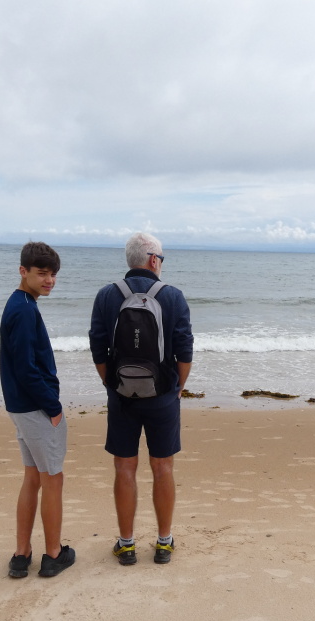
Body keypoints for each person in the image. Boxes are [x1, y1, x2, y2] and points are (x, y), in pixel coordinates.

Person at [89, 232, 193, 565]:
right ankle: (164, 543)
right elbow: (184, 351)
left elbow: (98, 346)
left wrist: (110, 383)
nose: (161, 264)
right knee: (163, 467)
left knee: (124, 467)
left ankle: (127, 544)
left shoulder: (107, 295)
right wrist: (177, 388)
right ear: (152, 259)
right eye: (161, 258)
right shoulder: (173, 297)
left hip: (121, 396)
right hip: (162, 396)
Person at [0, 241, 75, 578]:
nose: (49, 280)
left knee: (32, 477)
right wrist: (53, 406)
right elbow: (27, 368)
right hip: (35, 409)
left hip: (20, 407)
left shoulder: (19, 303)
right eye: (42, 273)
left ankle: (21, 554)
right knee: (52, 479)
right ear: (23, 272)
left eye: (53, 274)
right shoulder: (25, 309)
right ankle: (54, 554)